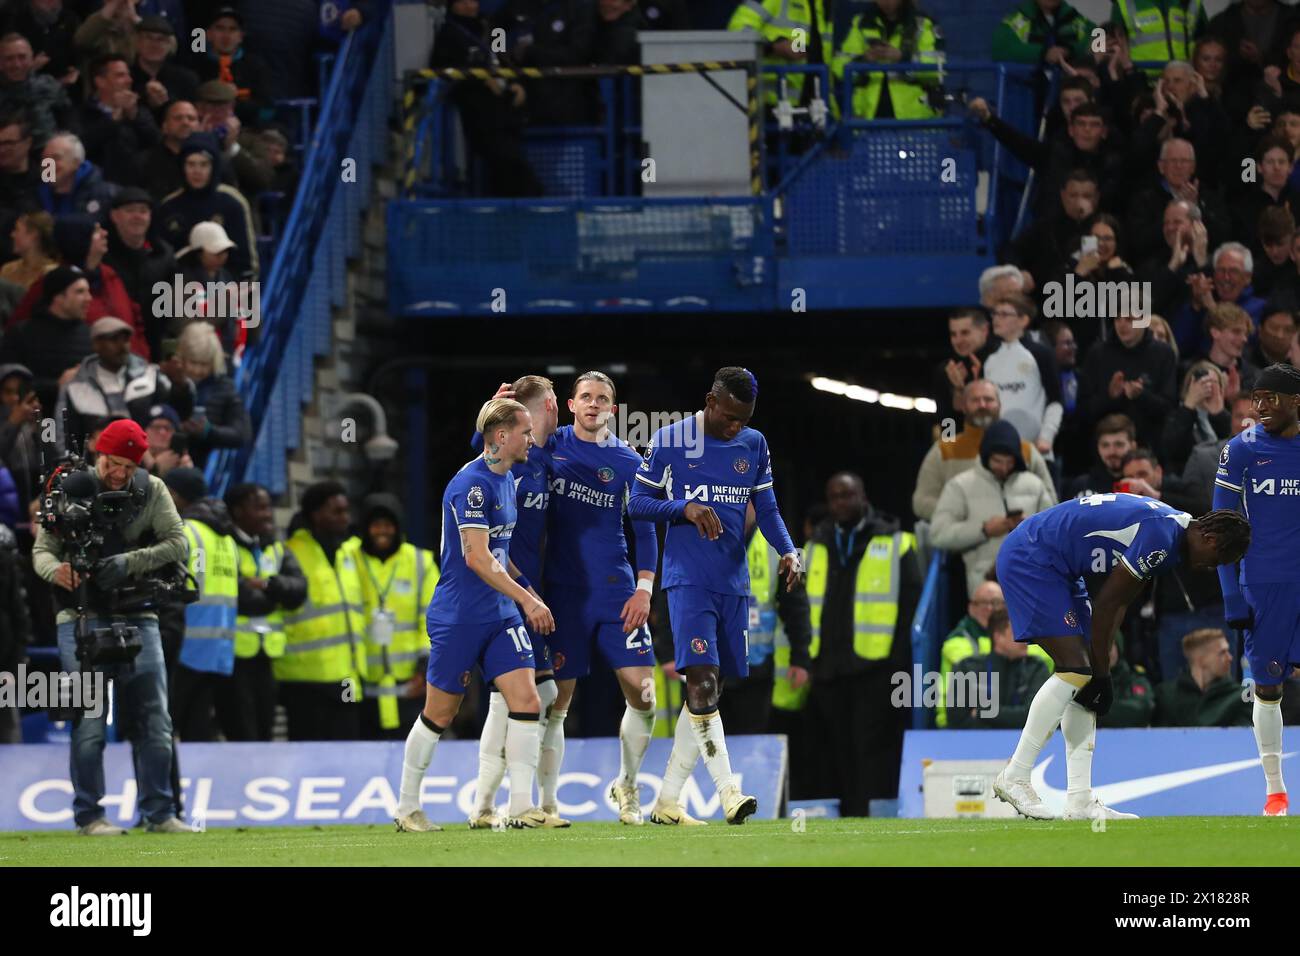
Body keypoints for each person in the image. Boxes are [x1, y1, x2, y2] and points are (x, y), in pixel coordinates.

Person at [991, 493, 1250, 821]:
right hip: (1032, 558)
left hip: (1059, 568)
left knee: (1085, 684)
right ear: (1209, 538)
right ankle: (1015, 774)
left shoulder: (1173, 531)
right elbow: (1108, 604)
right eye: (1216, 558)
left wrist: (1100, 674)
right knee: (1075, 669)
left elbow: (1121, 603)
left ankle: (1079, 800)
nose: (1209, 567)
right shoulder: (1161, 536)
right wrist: (1101, 673)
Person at [628, 367, 803, 825]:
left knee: (709, 689)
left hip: (732, 583)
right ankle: (729, 791)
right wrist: (682, 508)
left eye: (743, 419)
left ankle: (667, 801)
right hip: (687, 580)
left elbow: (766, 508)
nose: (735, 427)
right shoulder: (670, 440)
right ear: (710, 400)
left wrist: (788, 550)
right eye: (728, 418)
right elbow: (637, 503)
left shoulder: (754, 444)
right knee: (702, 682)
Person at [392, 398, 556, 832]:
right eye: (523, 431)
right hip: (460, 616)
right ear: (501, 437)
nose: (531, 438)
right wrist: (527, 600)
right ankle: (407, 807)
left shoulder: (508, 480)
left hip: (500, 615)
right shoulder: (472, 486)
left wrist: (526, 590)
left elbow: (500, 553)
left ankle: (521, 807)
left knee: (528, 701)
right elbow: (477, 559)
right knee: (439, 714)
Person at [32, 418, 191, 834]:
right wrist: (57, 572)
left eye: (127, 465)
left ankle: (160, 813)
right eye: (111, 462)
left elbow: (179, 542)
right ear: (97, 454)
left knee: (156, 719)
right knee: (90, 721)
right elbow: (41, 550)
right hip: (80, 616)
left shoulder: (152, 489)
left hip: (140, 613)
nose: (118, 472)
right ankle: (89, 816)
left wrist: (128, 563)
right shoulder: (67, 486)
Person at [536, 371, 660, 825]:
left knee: (644, 694)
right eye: (585, 397)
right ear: (569, 405)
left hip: (617, 594)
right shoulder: (550, 445)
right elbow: (492, 446)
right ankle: (547, 804)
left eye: (602, 398)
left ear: (613, 408)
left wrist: (644, 590)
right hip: (563, 595)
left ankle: (627, 786)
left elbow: (646, 533)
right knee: (557, 702)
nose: (593, 404)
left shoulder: (628, 461)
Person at [466, 373, 558, 829]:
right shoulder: (496, 466)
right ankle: (516, 804)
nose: (557, 410)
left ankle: (493, 805)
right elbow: (482, 453)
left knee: (520, 698)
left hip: (526, 590)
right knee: (520, 697)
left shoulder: (541, 460)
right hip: (501, 595)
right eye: (554, 402)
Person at [1212, 362, 1300, 815]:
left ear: (1296, 402)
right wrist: (1231, 594)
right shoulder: (1240, 452)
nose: (1261, 407)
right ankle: (1275, 792)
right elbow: (1218, 530)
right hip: (1263, 585)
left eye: (1271, 398)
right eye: (1256, 398)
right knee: (1268, 687)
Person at [278, 480, 366, 741]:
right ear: (316, 514)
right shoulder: (290, 553)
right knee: (308, 760)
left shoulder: (348, 553)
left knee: (348, 757)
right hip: (305, 679)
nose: (345, 518)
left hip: (346, 677)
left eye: (346, 511)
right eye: (336, 512)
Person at [218, 482, 306, 742]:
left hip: (267, 654)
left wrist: (267, 584)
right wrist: (272, 595)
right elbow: (240, 597)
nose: (268, 514)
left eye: (269, 507)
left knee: (265, 730)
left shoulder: (275, 546)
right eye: (260, 508)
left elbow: (299, 591)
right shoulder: (225, 544)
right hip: (234, 656)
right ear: (237, 511)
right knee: (241, 733)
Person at [429, 0, 543, 199]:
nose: (469, 6)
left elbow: (500, 58)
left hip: (505, 112)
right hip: (478, 114)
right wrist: (480, 80)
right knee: (510, 166)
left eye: (472, 1)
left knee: (511, 167)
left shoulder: (490, 28)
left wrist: (513, 83)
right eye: (462, 2)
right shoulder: (449, 34)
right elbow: (443, 69)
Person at [930, 420, 1056, 598]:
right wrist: (984, 530)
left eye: (1009, 461)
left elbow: (1054, 534)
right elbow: (938, 534)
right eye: (997, 461)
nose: (1003, 468)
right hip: (984, 592)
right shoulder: (960, 486)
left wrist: (1030, 528)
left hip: (1031, 585)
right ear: (985, 456)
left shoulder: (1035, 485)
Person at [353, 493, 439, 740]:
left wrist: (426, 666)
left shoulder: (419, 562)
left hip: (410, 683)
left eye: (388, 525)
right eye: (376, 525)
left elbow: (432, 617)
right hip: (362, 686)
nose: (383, 531)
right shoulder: (351, 559)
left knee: (410, 750)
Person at [164, 466, 238, 742]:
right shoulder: (226, 537)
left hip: (184, 644)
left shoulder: (185, 532)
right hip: (217, 646)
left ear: (176, 495)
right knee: (200, 729)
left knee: (166, 729)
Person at [913, 379, 1057, 521]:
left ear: (1000, 405)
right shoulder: (944, 449)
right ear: (963, 406)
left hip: (1019, 539)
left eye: (988, 399)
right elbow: (921, 502)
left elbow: (1051, 503)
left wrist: (1022, 525)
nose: (982, 405)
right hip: (960, 541)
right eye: (975, 400)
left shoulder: (1025, 449)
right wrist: (964, 517)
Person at [53, 315, 192, 454]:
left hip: (147, 460)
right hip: (95, 465)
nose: (122, 346)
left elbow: (181, 413)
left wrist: (180, 385)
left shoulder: (149, 376)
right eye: (114, 340)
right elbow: (63, 436)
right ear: (97, 344)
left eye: (126, 340)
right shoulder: (76, 385)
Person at [156, 132, 257, 280]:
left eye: (204, 164)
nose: (197, 171)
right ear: (182, 167)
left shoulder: (232, 202)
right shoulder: (168, 206)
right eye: (191, 164)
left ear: (214, 166)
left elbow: (245, 261)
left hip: (227, 291)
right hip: (178, 292)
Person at [1077, 312, 1178, 447]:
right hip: (1104, 448)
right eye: (1117, 319)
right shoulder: (1097, 354)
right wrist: (1110, 398)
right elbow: (1083, 411)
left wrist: (1141, 395)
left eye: (1129, 319)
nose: (1122, 324)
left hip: (1150, 445)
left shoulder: (1163, 353)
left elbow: (1169, 408)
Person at [0, 265, 92, 411]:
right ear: (58, 297)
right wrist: (57, 385)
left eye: (88, 291)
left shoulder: (89, 334)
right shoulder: (22, 333)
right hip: (37, 421)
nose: (89, 298)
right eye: (80, 292)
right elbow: (10, 384)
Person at [103, 186, 178, 360]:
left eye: (143, 211)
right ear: (115, 216)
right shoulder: (102, 255)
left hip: (154, 343)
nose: (137, 216)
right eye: (130, 211)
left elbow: (171, 307)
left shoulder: (164, 255)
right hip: (113, 342)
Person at [835, 0, 942, 121]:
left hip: (914, 120)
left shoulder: (923, 24)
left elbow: (937, 70)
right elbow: (840, 68)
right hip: (867, 119)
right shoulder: (861, 23)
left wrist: (903, 58)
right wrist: (864, 60)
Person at [946, 609, 1051, 729]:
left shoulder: (1036, 667)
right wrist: (1010, 720)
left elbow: (1037, 717)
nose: (1026, 640)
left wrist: (982, 712)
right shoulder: (967, 668)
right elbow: (957, 720)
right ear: (998, 637)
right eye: (1019, 633)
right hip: (977, 745)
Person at [166, 320, 251, 469]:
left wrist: (207, 431)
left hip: (197, 463)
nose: (197, 370)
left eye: (204, 364)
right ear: (182, 357)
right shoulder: (165, 379)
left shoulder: (225, 388)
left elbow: (241, 434)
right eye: (193, 362)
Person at [984, 294, 1063, 452]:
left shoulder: (1040, 353)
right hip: (997, 449)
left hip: (1035, 448)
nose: (996, 319)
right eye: (995, 314)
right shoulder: (988, 357)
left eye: (1004, 314)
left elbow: (1056, 401)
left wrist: (1046, 437)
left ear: (1023, 320)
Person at [1152, 628, 1251, 726]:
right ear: (1201, 659)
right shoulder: (1167, 695)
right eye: (1222, 653)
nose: (1230, 658)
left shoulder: (1241, 697)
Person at [991, 0, 1094, 66]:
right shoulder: (1017, 20)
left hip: (1069, 91)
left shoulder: (1075, 18)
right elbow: (999, 50)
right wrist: (1043, 53)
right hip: (1027, 90)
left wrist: (1069, 50)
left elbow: (1101, 39)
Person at [1, 210, 57, 289]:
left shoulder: (52, 274)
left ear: (33, 234)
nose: (12, 235)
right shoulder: (8, 270)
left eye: (17, 230)